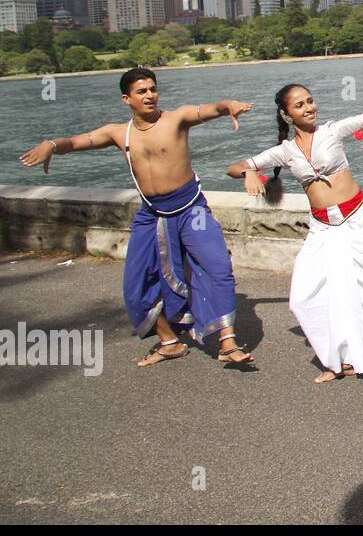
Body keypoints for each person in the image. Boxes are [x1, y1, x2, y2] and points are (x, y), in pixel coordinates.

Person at [18, 67, 255, 368]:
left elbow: (207, 110)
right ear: (126, 98)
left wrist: (228, 107)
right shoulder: (119, 133)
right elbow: (78, 142)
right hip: (152, 213)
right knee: (137, 283)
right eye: (142, 91)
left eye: (153, 89)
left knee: (217, 267)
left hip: (191, 208)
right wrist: (51, 145)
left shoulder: (176, 119)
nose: (150, 95)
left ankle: (228, 342)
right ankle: (169, 342)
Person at [227, 85, 363, 383]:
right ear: (286, 114)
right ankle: (339, 360)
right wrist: (249, 172)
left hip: (360, 217)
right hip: (323, 228)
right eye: (300, 104)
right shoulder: (284, 152)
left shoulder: (332, 131)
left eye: (311, 101)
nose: (309, 107)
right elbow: (234, 167)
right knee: (305, 298)